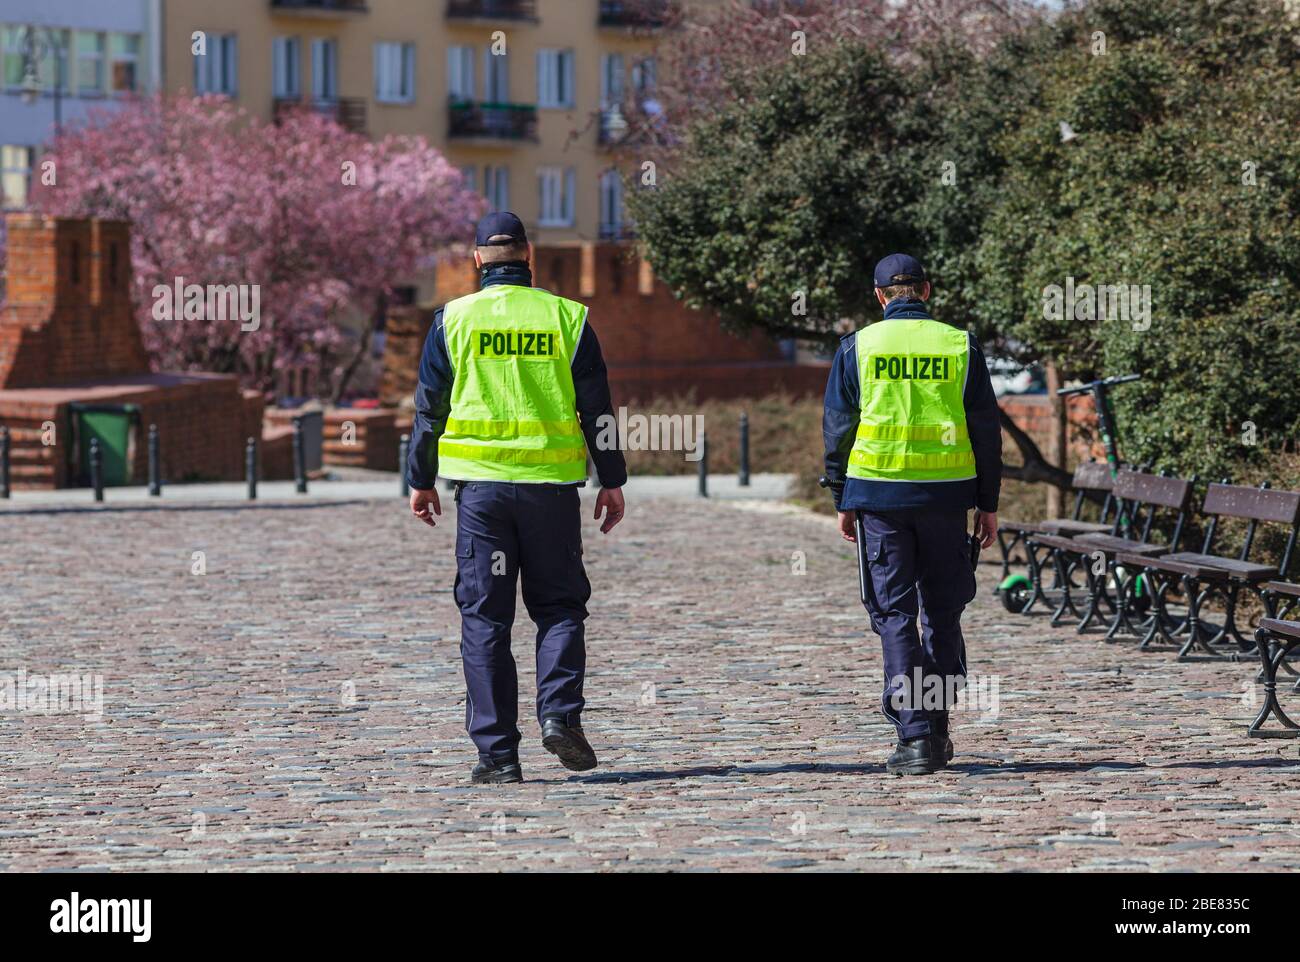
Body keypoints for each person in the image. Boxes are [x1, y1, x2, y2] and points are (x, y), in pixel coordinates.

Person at [406, 212, 628, 784]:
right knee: (558, 608)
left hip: (479, 492)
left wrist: (421, 477)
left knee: (485, 617)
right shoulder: (567, 318)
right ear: (529, 256)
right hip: (550, 491)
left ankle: (498, 756)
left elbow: (430, 409)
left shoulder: (451, 320)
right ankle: (559, 715)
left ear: (477, 259)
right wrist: (612, 478)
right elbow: (596, 410)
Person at [822, 253, 1002, 775]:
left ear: (880, 296)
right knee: (942, 614)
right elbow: (986, 432)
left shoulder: (858, 347)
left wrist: (842, 497)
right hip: (947, 500)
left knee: (896, 616)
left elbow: (838, 429)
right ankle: (938, 725)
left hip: (879, 499)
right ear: (926, 291)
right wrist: (987, 504)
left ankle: (916, 734)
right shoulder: (959, 345)